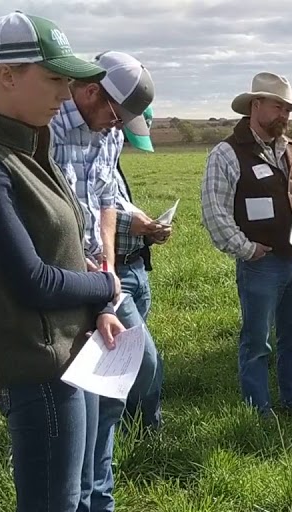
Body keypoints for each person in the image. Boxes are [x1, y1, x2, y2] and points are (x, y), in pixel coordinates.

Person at [0, 11, 123, 512]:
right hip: (36, 366)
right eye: (53, 79)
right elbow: (28, 278)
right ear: (6, 75)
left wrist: (95, 309)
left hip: (68, 352)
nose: (65, 94)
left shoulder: (22, 145)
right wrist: (100, 285)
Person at [50, 49, 159, 512]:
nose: (117, 125)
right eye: (115, 113)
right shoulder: (47, 126)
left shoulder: (108, 130)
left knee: (119, 386)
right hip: (62, 286)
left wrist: (110, 272)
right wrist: (90, 287)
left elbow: (105, 203)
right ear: (91, 91)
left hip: (101, 280)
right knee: (84, 405)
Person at [200, 72, 292, 416]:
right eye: (278, 107)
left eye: (288, 109)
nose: (284, 116)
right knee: (257, 342)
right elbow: (215, 212)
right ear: (256, 106)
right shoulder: (226, 154)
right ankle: (258, 411)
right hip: (261, 264)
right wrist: (247, 249)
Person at [111, 101, 169, 430]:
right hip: (113, 275)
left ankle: (128, 430)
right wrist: (129, 223)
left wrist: (150, 232)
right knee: (147, 360)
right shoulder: (80, 153)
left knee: (128, 359)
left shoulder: (111, 162)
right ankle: (148, 431)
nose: (120, 138)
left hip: (135, 269)